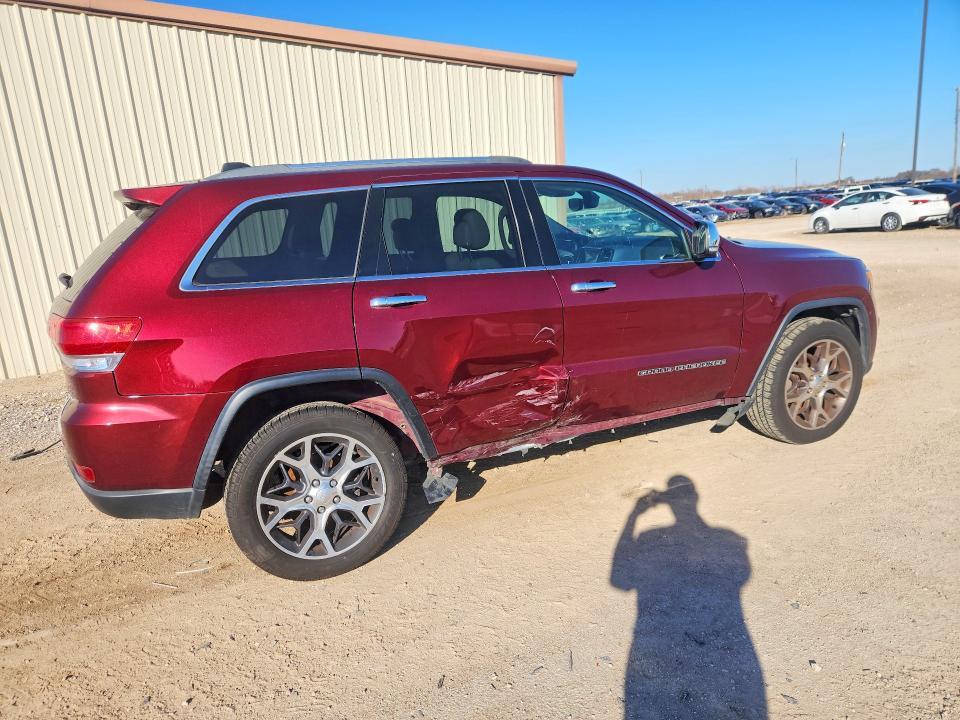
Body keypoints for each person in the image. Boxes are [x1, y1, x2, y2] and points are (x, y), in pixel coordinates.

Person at [610, 476, 767, 720]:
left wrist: (634, 515)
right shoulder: (730, 538)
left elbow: (619, 581)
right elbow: (742, 576)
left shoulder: (649, 538)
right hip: (733, 644)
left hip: (653, 643)